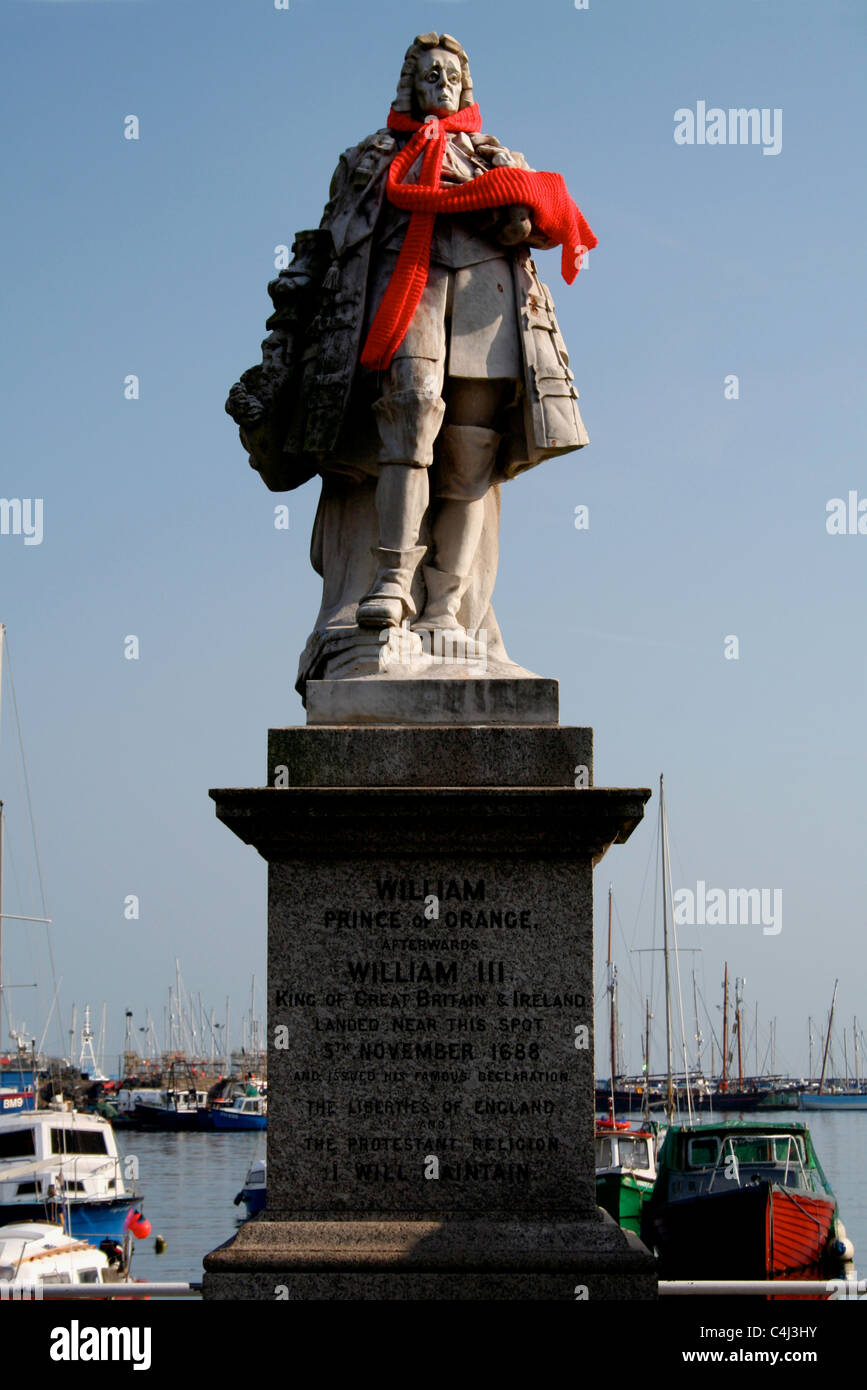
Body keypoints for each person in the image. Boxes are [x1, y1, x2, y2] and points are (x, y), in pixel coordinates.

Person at [227, 32, 595, 690]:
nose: (442, 85)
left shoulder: (493, 157)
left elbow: (542, 219)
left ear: (466, 85)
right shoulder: (368, 159)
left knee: (470, 451)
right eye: (430, 74)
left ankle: (447, 613)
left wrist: (514, 209)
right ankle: (390, 584)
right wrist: (282, 336)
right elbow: (320, 243)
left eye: (451, 75)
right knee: (410, 413)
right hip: (406, 288)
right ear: (409, 84)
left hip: (485, 299)